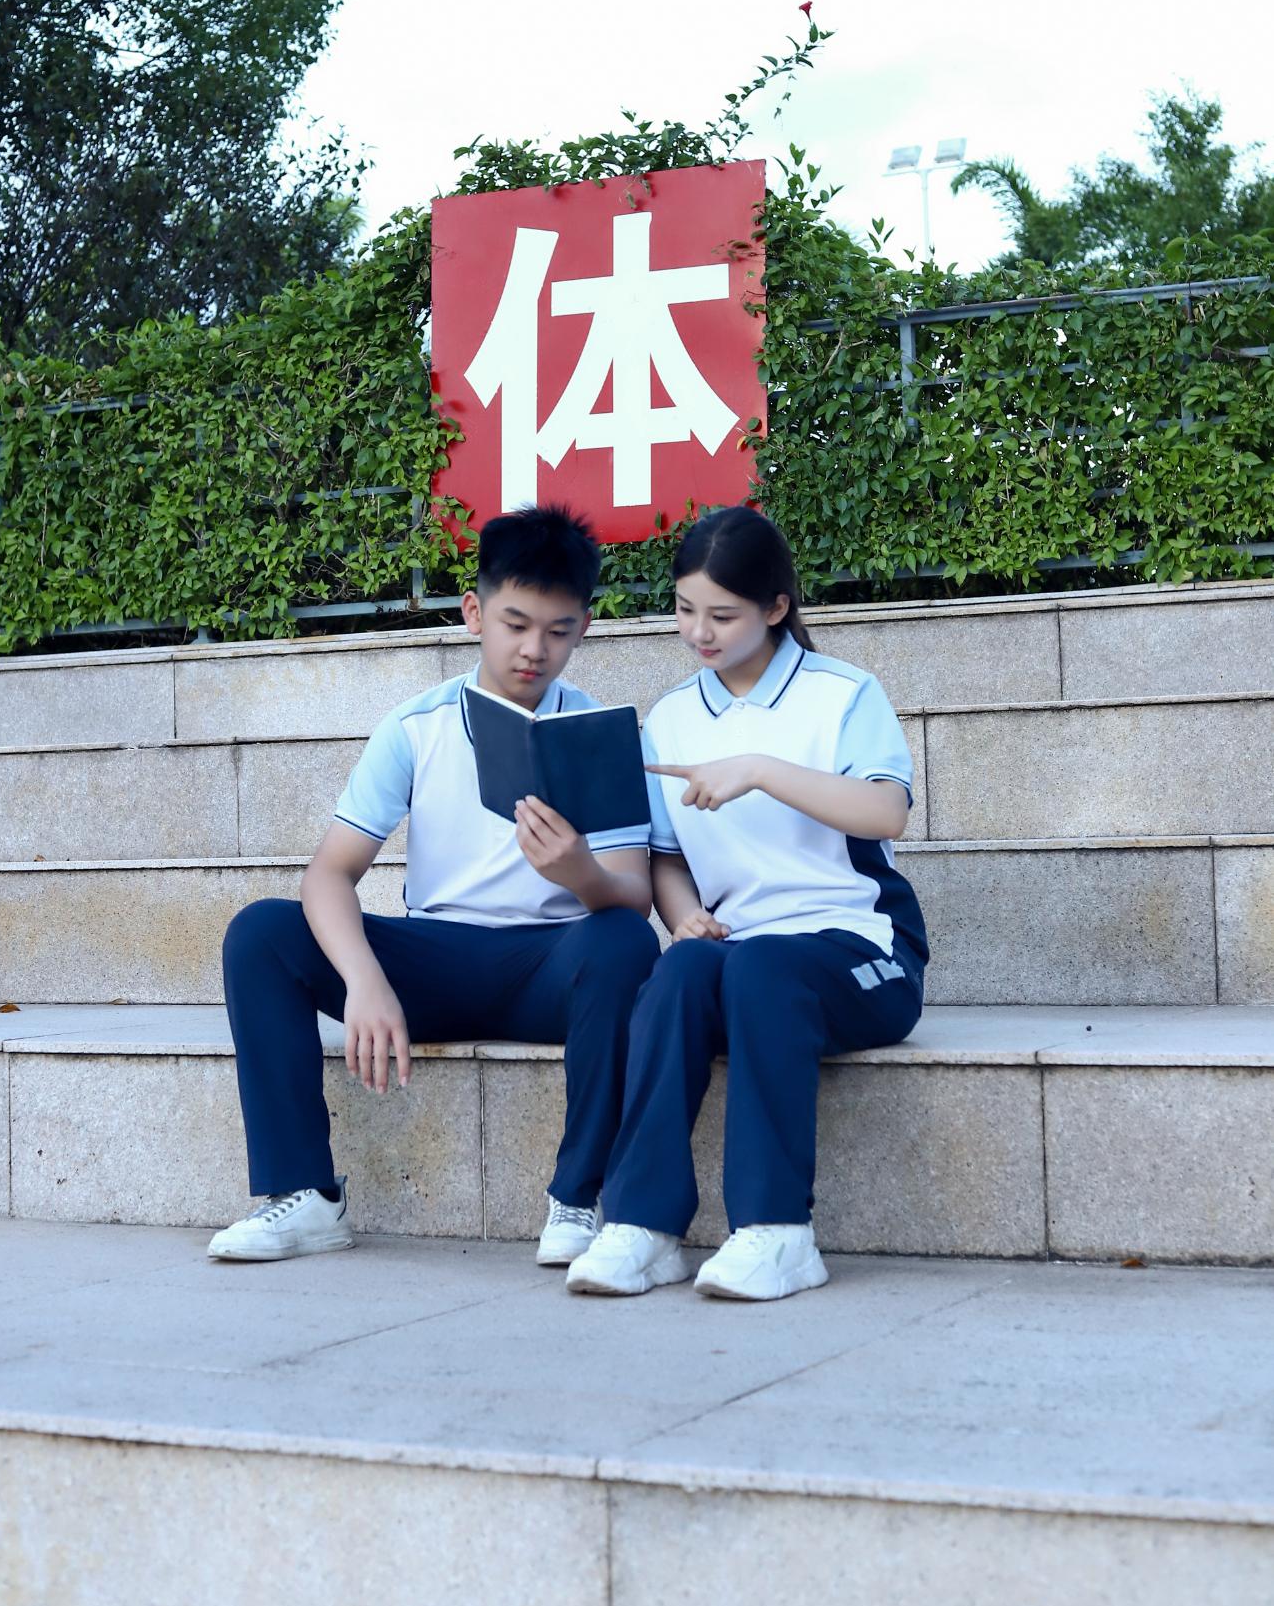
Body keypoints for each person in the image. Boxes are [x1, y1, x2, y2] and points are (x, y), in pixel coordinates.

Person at [209, 504, 658, 1266]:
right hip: (435, 960)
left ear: (583, 628)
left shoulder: (600, 733)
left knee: (622, 941)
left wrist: (578, 872)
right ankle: (304, 1195)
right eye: (515, 624)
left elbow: (634, 895)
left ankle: (578, 1200)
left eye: (557, 630)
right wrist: (364, 981)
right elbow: (330, 873)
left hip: (552, 967)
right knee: (262, 932)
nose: (534, 649)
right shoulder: (417, 725)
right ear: (473, 612)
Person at [568, 506, 928, 1303]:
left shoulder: (842, 694)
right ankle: (643, 1227)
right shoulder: (670, 717)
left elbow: (885, 813)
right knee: (678, 971)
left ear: (774, 608)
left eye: (722, 615)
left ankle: (777, 1232)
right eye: (684, 609)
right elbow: (666, 858)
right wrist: (683, 916)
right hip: (740, 956)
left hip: (861, 953)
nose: (699, 631)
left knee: (761, 967)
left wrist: (760, 767)